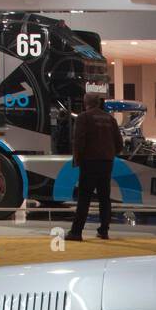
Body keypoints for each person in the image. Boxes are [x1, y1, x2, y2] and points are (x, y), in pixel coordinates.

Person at [65, 91, 122, 243]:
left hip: (89, 162)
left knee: (84, 198)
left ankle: (76, 232)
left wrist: (77, 159)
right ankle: (104, 231)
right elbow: (119, 143)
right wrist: (110, 154)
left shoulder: (83, 117)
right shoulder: (110, 119)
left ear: (86, 103)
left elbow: (79, 140)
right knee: (105, 198)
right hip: (107, 162)